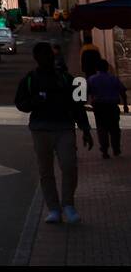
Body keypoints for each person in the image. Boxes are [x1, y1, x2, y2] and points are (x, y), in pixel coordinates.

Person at [15, 41, 93, 224]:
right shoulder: (30, 79)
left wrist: (85, 129)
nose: (47, 59)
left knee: (69, 166)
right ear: (36, 58)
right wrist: (36, 100)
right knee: (45, 171)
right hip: (40, 129)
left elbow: (78, 105)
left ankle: (68, 204)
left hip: (64, 127)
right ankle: (54, 208)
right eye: (43, 56)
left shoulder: (66, 78)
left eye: (49, 55)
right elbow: (21, 103)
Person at [88, 59, 128, 158]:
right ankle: (116, 148)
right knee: (114, 128)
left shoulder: (92, 79)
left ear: (96, 68)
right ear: (107, 68)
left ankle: (104, 150)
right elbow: (122, 91)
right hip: (112, 106)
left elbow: (87, 92)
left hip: (99, 106)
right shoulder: (114, 78)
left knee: (102, 128)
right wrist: (125, 105)